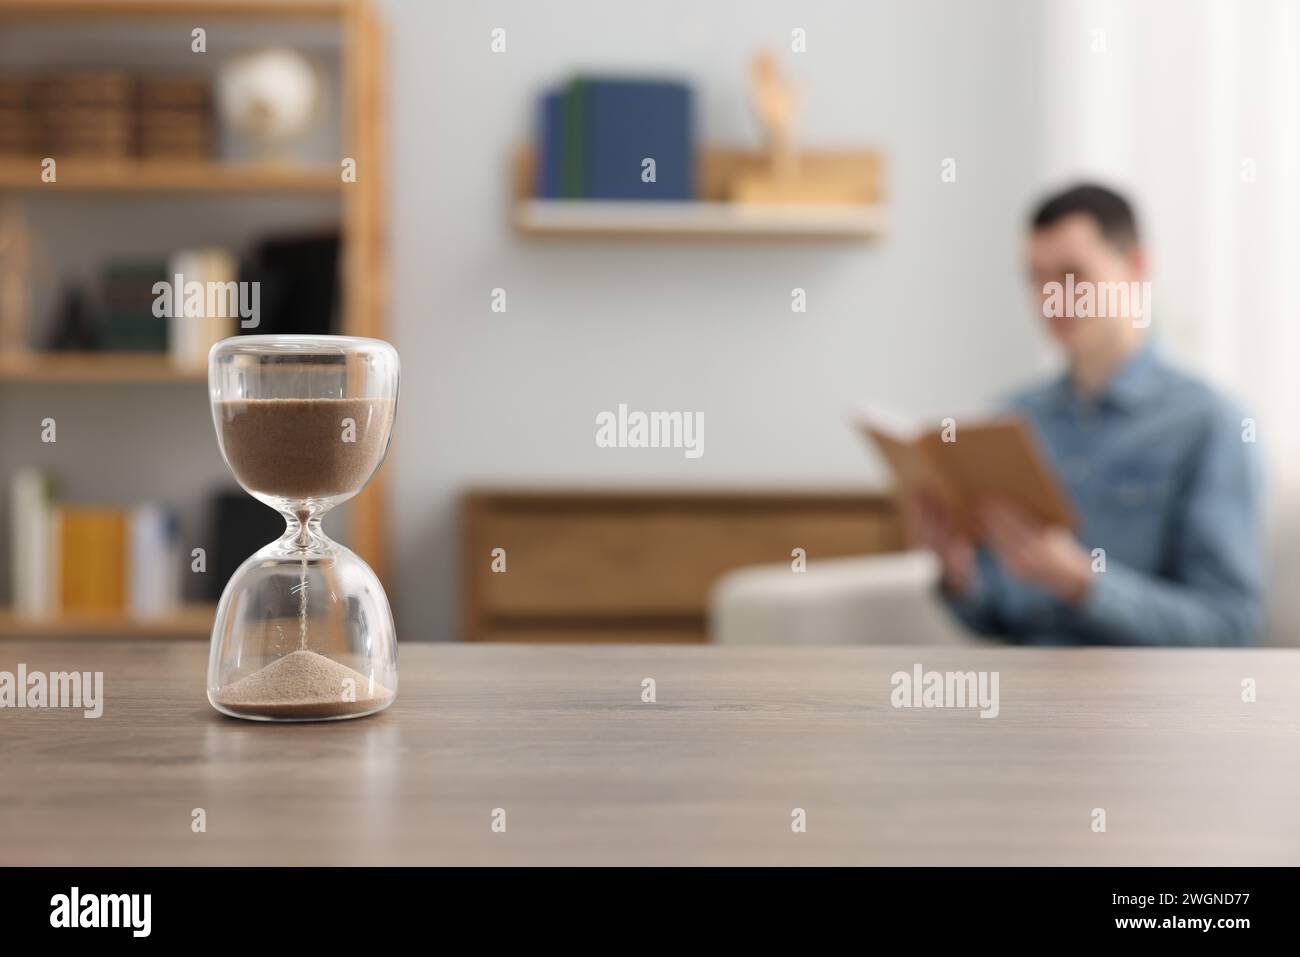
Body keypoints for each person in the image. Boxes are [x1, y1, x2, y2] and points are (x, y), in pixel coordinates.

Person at [914, 184, 1264, 646]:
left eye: (1073, 275)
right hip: (1021, 694)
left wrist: (1083, 582)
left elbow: (1229, 627)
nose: (1051, 299)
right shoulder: (1011, 418)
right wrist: (959, 575)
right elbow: (1000, 615)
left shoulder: (1210, 424)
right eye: (1037, 278)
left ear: (1136, 268)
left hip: (1141, 706)